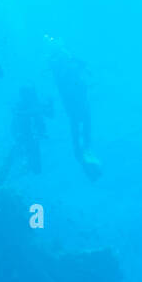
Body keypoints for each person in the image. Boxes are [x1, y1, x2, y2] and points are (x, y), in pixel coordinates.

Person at [47, 39, 102, 182]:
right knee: (79, 126)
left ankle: (84, 154)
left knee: (82, 126)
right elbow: (77, 69)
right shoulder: (59, 67)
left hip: (78, 102)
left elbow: (83, 66)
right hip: (74, 103)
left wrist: (71, 59)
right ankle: (83, 156)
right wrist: (70, 61)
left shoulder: (66, 66)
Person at [1, 85, 54, 179]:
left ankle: (23, 167)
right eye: (29, 95)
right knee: (19, 155)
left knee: (37, 168)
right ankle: (12, 170)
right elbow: (18, 116)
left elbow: (50, 114)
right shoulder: (20, 106)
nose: (31, 97)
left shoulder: (35, 104)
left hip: (33, 137)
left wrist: (50, 104)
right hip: (23, 136)